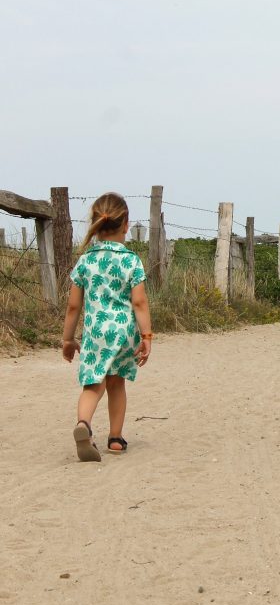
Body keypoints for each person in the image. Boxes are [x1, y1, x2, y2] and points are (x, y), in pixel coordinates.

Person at [62, 192, 153, 462]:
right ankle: (115, 439)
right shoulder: (131, 260)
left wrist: (68, 340)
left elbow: (73, 307)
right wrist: (147, 336)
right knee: (116, 383)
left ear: (96, 223)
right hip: (123, 334)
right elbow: (139, 303)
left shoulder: (85, 261)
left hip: (95, 334)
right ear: (126, 224)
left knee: (93, 385)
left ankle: (84, 424)